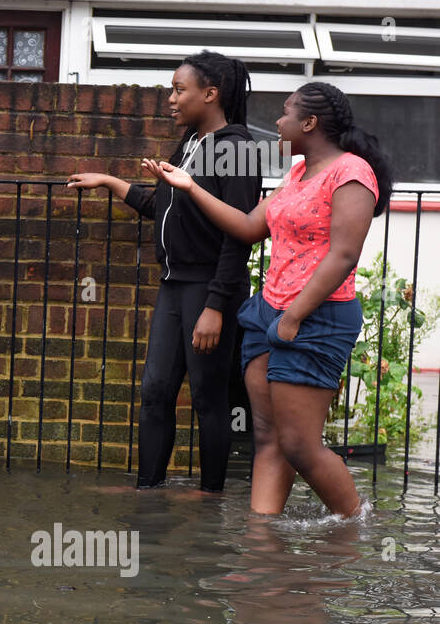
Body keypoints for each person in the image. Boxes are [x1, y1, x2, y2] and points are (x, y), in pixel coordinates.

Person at [148, 81, 392, 518]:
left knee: (299, 443)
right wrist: (189, 186)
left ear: (310, 123)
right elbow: (245, 226)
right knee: (268, 437)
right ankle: (263, 537)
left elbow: (343, 255)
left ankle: (356, 524)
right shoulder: (298, 174)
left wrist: (294, 316)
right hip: (269, 314)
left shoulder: (352, 173)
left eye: (285, 113)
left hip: (317, 317)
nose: (277, 122)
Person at [67, 51, 260, 492]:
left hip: (210, 289)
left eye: (179, 89)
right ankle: (148, 491)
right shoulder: (190, 144)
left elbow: (240, 234)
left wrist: (215, 305)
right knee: (155, 391)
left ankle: (211, 499)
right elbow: (161, 206)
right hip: (174, 287)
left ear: (210, 94)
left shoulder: (237, 148)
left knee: (209, 399)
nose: (171, 99)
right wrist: (109, 181)